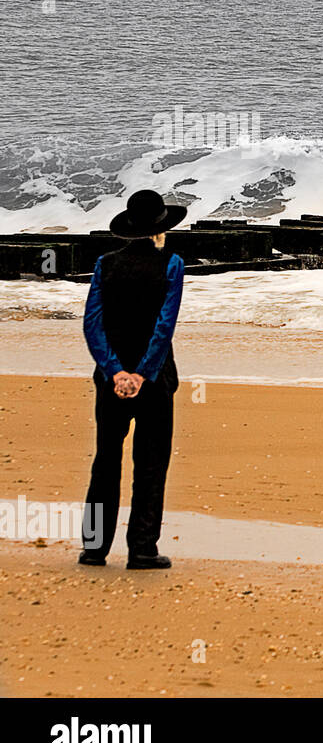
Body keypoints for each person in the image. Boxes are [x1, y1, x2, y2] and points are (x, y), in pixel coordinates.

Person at [80, 189, 186, 570]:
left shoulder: (105, 264)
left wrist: (115, 372)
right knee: (151, 463)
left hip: (111, 380)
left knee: (105, 461)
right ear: (161, 230)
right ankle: (142, 548)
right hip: (155, 380)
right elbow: (164, 325)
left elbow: (92, 325)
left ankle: (94, 548)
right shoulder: (172, 264)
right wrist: (143, 373)